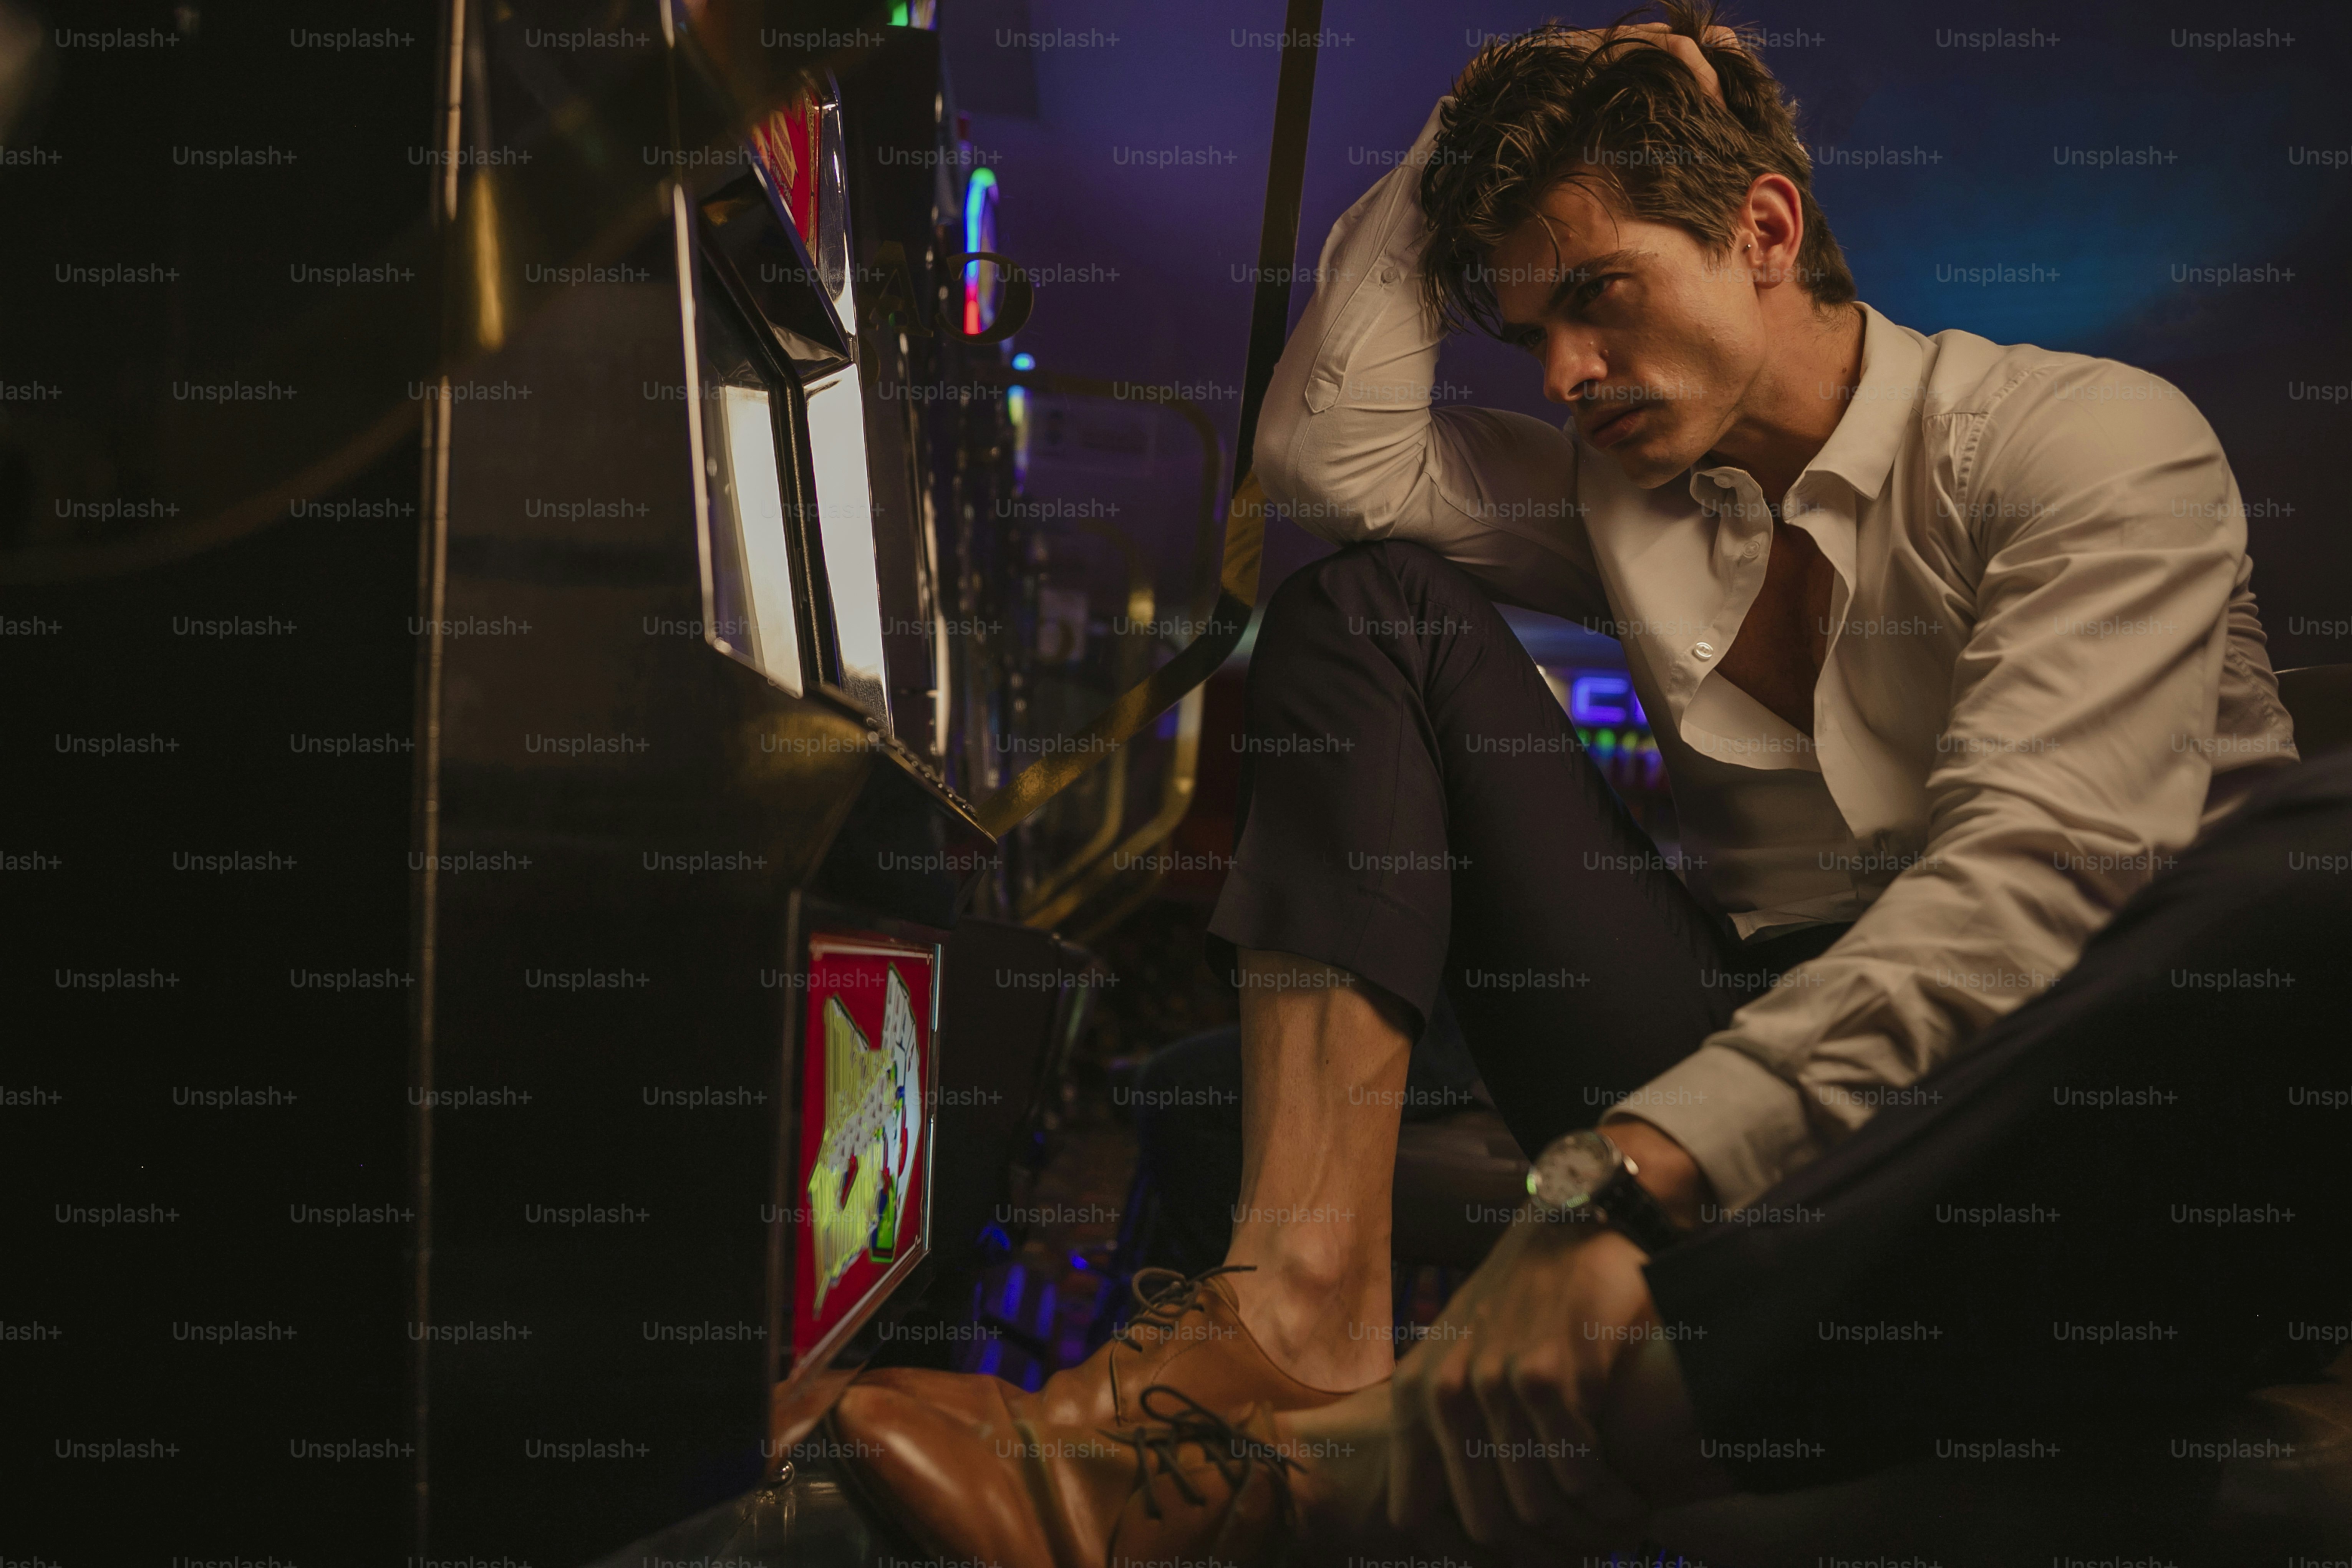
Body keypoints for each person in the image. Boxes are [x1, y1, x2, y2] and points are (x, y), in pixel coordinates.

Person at [824, 8, 2352, 1561]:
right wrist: (1462, 129)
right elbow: (1332, 466)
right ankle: (1289, 1317)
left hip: (2067, 1106)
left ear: (1764, 225)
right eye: (1526, 328)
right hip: (1756, 1038)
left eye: (1598, 296)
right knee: (1365, 614)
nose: (1562, 371)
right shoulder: (1625, 487)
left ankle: (1271, 1485)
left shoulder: (2087, 441)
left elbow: (2030, 892)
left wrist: (1628, 1170)